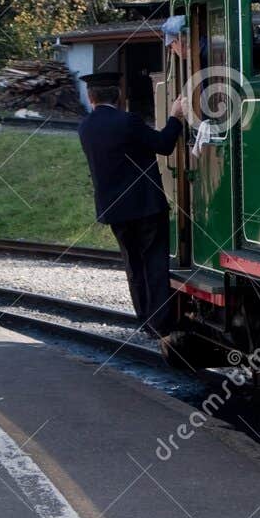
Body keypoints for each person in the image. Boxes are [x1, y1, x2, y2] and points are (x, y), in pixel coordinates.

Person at [78, 79, 188, 339]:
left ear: (91, 97)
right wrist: (175, 117)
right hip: (145, 205)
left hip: (114, 210)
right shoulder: (128, 121)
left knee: (134, 265)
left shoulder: (85, 127)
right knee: (154, 263)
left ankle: (146, 320)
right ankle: (160, 323)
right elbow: (163, 144)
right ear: (118, 95)